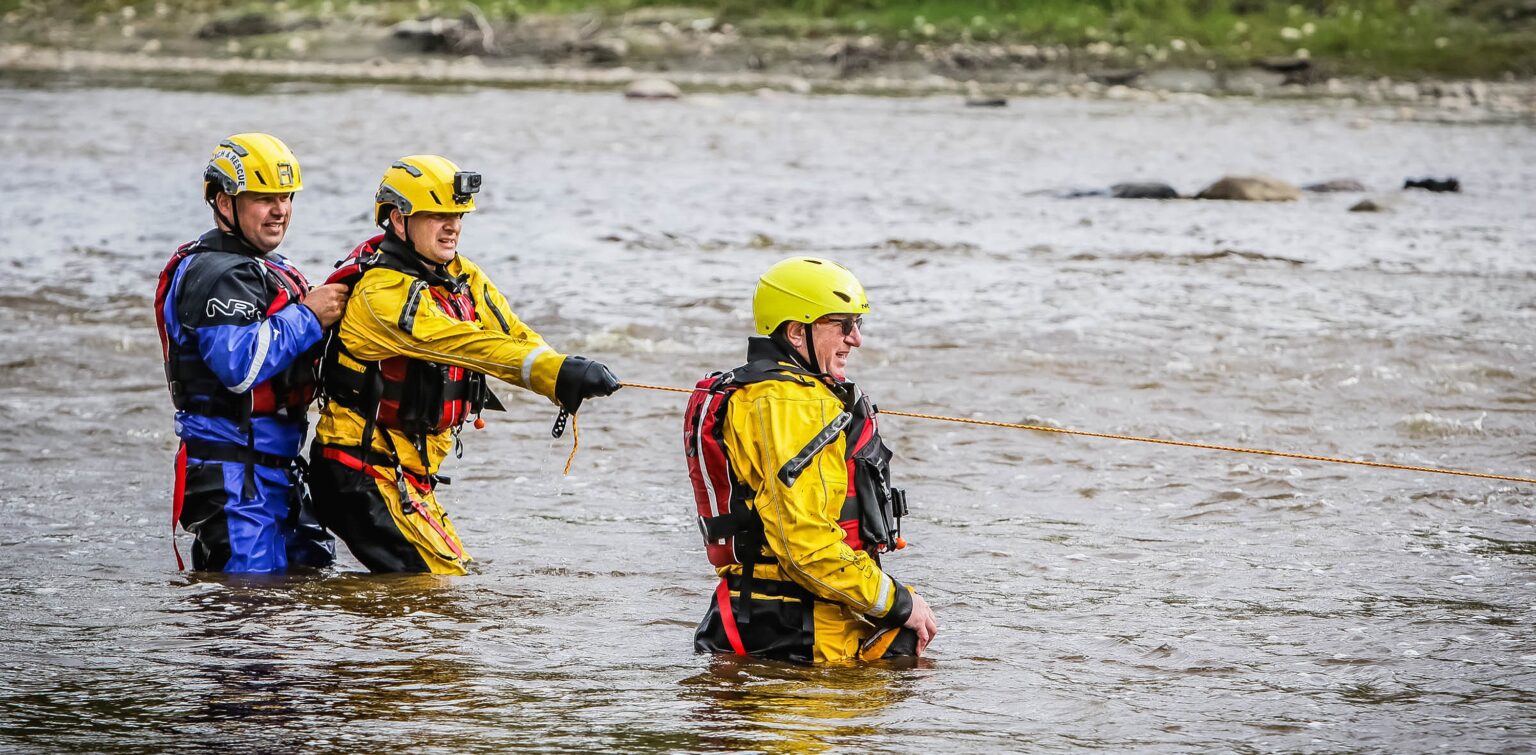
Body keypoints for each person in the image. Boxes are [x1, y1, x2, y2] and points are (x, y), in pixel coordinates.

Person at [308, 154, 621, 575]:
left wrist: (562, 367)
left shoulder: (460, 274)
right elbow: (469, 345)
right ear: (399, 220)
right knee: (438, 589)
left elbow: (510, 333)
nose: (453, 225)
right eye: (438, 214)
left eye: (458, 214)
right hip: (358, 472)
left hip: (406, 474)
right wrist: (551, 374)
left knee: (456, 580)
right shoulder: (380, 295)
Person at [687, 257, 938, 664]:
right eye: (842, 324)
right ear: (795, 332)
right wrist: (899, 602)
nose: (855, 339)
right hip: (801, 632)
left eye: (859, 324)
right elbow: (805, 545)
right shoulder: (796, 404)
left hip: (746, 619)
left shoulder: (754, 391)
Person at [154, 132, 347, 573]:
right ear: (225, 203)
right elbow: (239, 367)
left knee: (307, 586)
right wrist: (310, 316)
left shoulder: (267, 266)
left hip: (276, 470)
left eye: (286, 197)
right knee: (247, 613)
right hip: (235, 476)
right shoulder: (217, 274)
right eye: (263, 198)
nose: (280, 210)